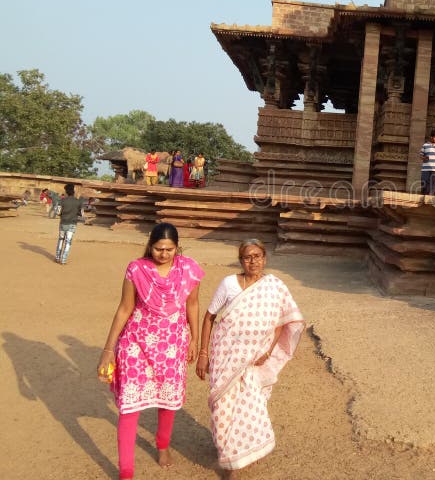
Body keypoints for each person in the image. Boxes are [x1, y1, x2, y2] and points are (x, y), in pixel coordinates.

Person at [97, 223, 203, 479]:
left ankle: (162, 445)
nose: (163, 254)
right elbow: (124, 308)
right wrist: (108, 349)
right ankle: (126, 470)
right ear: (149, 245)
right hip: (136, 342)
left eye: (169, 249)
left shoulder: (189, 269)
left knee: (167, 401)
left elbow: (193, 305)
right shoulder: (136, 269)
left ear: (177, 248)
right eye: (158, 248)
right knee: (129, 406)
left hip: (172, 344)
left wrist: (194, 340)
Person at [195, 239, 304, 478]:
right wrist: (204, 353)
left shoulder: (274, 286)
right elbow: (209, 317)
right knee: (222, 405)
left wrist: (267, 352)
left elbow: (281, 323)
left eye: (257, 256)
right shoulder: (229, 284)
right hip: (225, 355)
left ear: (264, 258)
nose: (252, 261)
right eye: (247, 257)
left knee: (248, 404)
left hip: (254, 358)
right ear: (240, 260)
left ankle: (238, 456)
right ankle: (229, 454)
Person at [55, 183, 81, 264]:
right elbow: (81, 213)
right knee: (68, 242)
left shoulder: (62, 200)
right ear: (73, 191)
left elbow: (58, 212)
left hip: (63, 222)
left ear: (66, 191)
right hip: (72, 223)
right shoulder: (78, 202)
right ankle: (63, 260)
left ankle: (57, 257)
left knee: (61, 239)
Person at [419, 129, 435, 196]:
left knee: (433, 183)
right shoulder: (425, 145)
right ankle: (423, 195)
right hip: (425, 168)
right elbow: (420, 156)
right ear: (431, 137)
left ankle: (429, 198)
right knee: (424, 181)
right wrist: (424, 158)